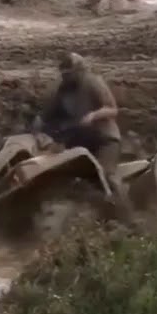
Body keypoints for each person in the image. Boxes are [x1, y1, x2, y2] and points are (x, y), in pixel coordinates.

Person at [33, 52, 131, 212]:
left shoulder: (92, 82)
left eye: (69, 74)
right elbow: (46, 115)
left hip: (104, 139)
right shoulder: (63, 91)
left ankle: (127, 216)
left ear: (79, 71)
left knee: (106, 176)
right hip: (79, 142)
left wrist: (93, 115)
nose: (66, 78)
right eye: (64, 74)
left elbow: (112, 109)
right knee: (68, 180)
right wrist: (37, 130)